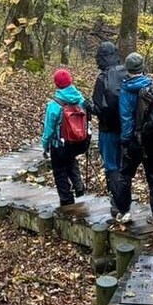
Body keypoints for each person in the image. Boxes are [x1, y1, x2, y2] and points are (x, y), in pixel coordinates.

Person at [117, 53, 153, 224]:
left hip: (134, 140)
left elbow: (126, 118)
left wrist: (125, 141)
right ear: (143, 67)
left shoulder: (126, 89)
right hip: (152, 139)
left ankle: (124, 211)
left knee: (125, 175)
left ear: (127, 68)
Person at [41, 68, 90, 206]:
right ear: (70, 82)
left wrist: (45, 146)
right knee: (71, 160)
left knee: (59, 171)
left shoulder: (54, 105)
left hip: (59, 145)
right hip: (77, 142)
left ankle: (66, 199)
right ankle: (78, 185)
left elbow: (48, 130)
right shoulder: (81, 100)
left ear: (56, 84)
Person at [91, 42, 127, 216]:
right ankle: (124, 199)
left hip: (108, 130)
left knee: (111, 166)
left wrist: (87, 107)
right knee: (123, 165)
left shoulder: (102, 79)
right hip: (128, 129)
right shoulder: (127, 73)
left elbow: (98, 108)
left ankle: (118, 204)